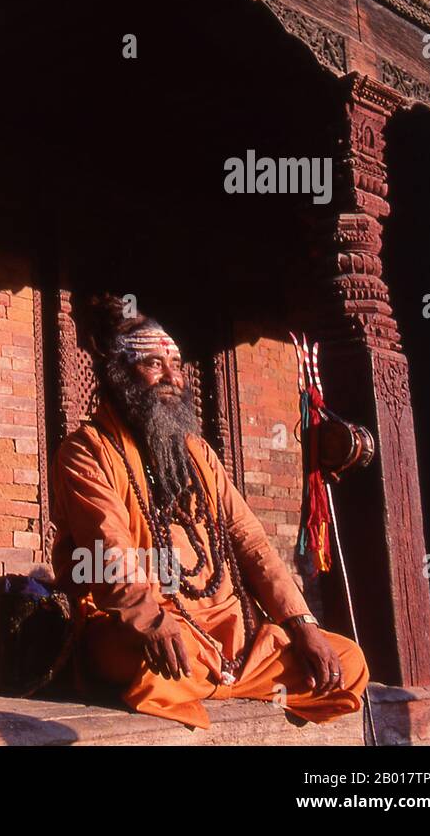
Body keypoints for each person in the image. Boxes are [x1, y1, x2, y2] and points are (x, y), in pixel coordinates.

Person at [49, 297, 369, 729]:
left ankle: (220, 677)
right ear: (120, 374)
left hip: (231, 631)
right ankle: (220, 676)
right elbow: (109, 551)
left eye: (176, 365)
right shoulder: (86, 450)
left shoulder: (198, 453)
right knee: (141, 661)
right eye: (153, 364)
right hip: (144, 625)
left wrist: (302, 624)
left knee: (347, 660)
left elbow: (252, 542)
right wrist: (152, 622)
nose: (172, 377)